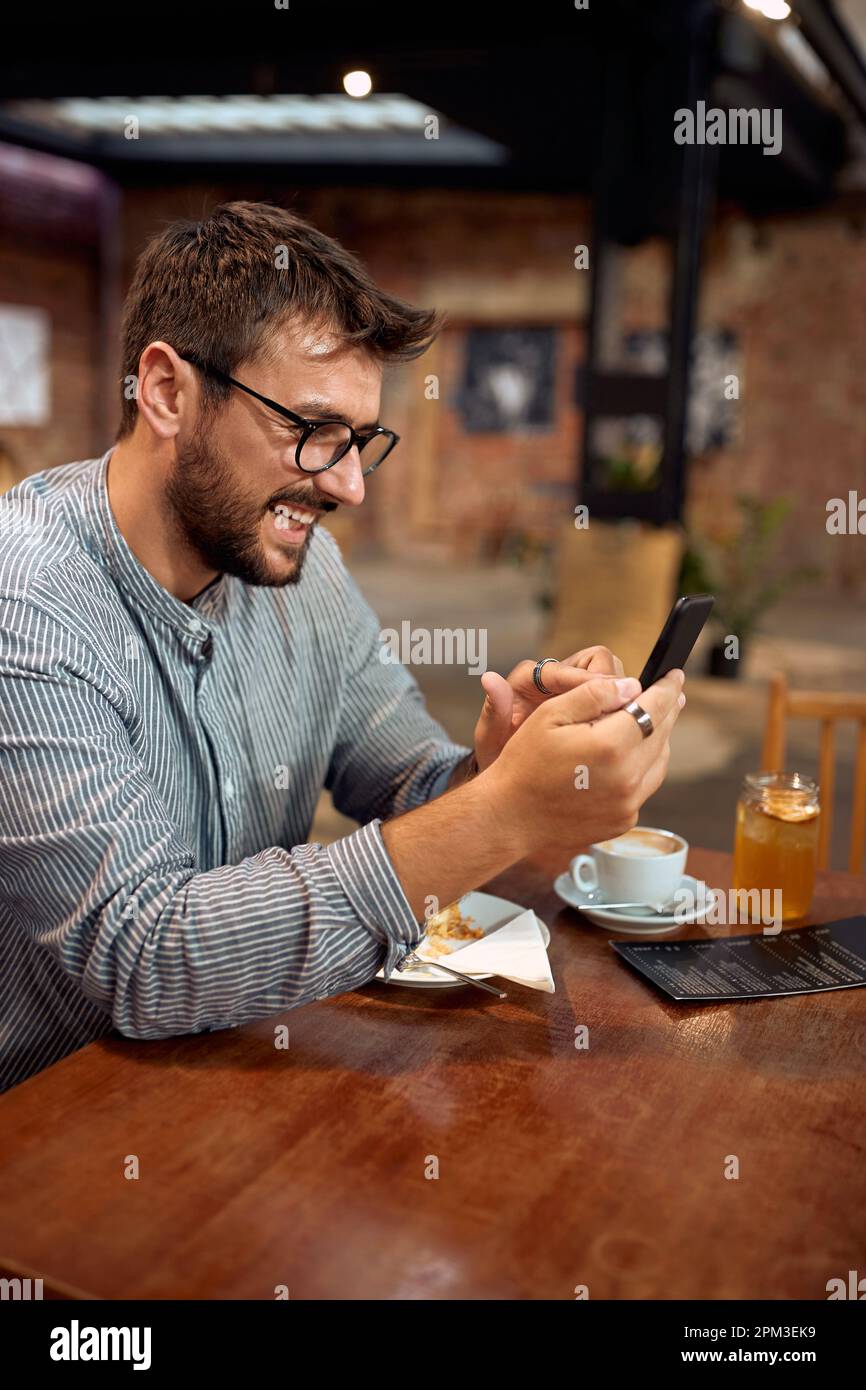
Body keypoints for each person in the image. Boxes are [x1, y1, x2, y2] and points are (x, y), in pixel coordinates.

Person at [0, 201, 684, 1090]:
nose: (350, 487)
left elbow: (402, 782)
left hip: (233, 1084)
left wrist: (498, 767)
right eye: (312, 430)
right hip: (48, 1138)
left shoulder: (302, 569)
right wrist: (507, 813)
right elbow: (142, 955)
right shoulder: (29, 596)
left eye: (360, 441)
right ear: (167, 392)